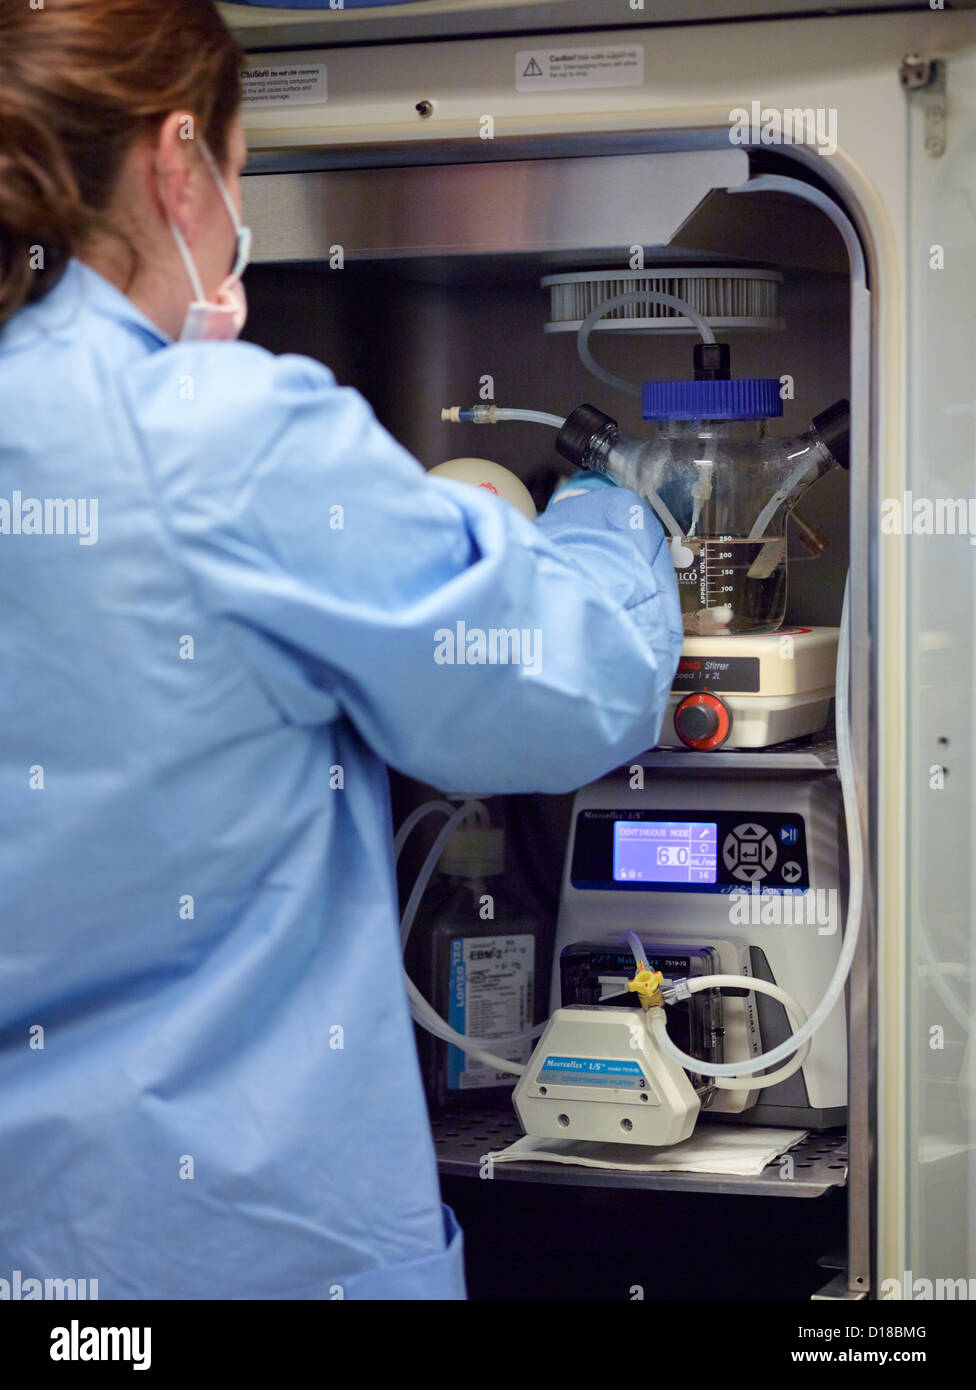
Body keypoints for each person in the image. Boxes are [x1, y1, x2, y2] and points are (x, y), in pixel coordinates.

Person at [0, 0, 682, 1300]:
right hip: (238, 1254)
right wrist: (620, 513)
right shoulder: (215, 439)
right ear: (177, 159)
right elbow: (570, 680)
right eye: (244, 171)